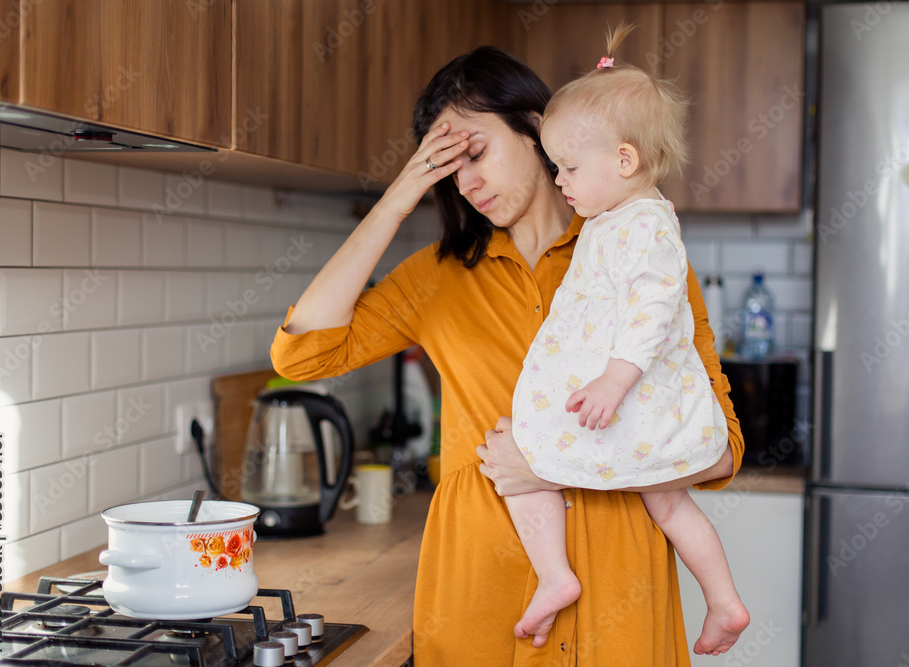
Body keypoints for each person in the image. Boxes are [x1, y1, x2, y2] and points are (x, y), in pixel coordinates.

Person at [271, 44, 745, 666]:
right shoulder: (436, 279)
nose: (465, 182)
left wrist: (554, 466)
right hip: (480, 593)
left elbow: (721, 447)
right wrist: (400, 195)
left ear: (535, 132)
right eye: (447, 168)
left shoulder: (642, 260)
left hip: (621, 598)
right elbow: (303, 355)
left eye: (474, 152)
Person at [504, 25, 749, 655]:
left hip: (628, 395)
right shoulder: (613, 220)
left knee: (526, 466)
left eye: (568, 167)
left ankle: (561, 576)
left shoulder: (645, 225)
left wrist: (615, 379)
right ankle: (722, 601)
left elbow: (652, 307)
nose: (559, 180)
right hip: (619, 397)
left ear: (624, 160)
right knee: (666, 506)